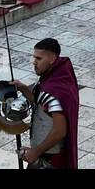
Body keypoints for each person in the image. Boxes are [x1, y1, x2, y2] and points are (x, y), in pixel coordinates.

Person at [11, 38, 79, 169]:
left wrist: (35, 152)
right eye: (34, 57)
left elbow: (60, 131)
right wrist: (23, 88)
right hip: (44, 154)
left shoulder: (55, 90)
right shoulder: (52, 77)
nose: (34, 62)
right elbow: (41, 106)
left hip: (51, 158)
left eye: (39, 58)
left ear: (52, 59)